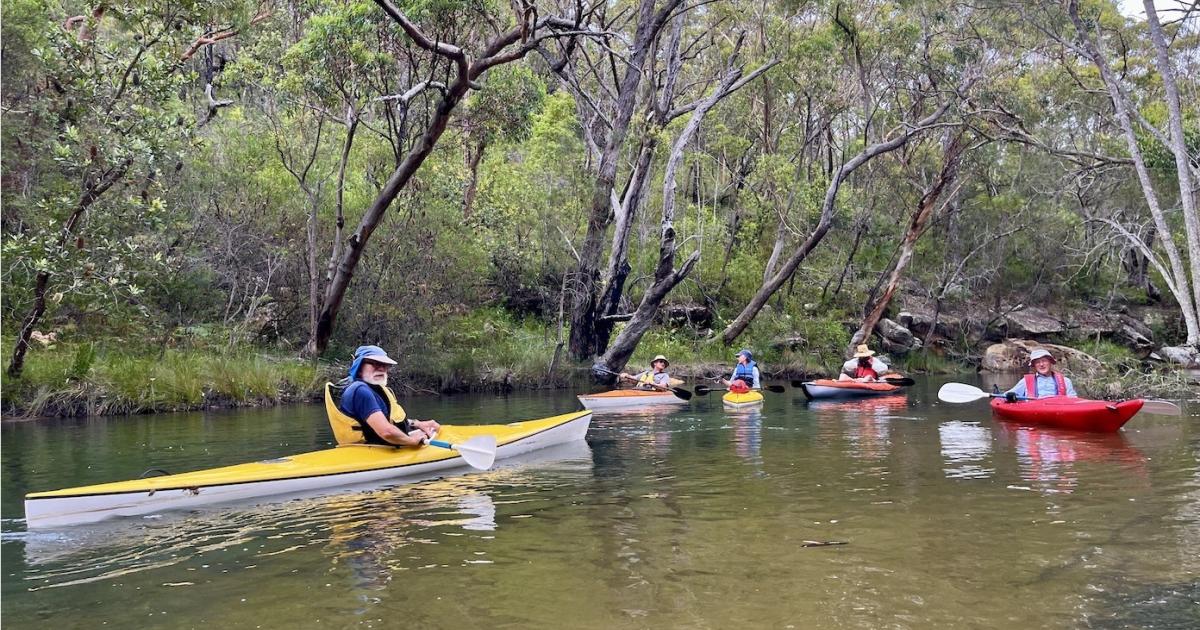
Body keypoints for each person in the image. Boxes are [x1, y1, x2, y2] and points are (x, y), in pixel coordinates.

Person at [337, 345, 440, 447]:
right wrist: (411, 441)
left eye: (385, 364)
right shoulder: (360, 391)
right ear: (359, 367)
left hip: (381, 445)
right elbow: (387, 432)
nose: (381, 368)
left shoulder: (373, 389)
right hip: (370, 452)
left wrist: (418, 424)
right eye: (375, 364)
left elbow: (389, 421)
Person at [1004, 348, 1077, 400]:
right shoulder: (1025, 382)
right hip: (1034, 413)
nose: (1041, 364)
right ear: (1034, 366)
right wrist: (1010, 397)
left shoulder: (1066, 381)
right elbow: (1004, 396)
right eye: (1037, 362)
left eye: (1044, 361)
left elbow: (1074, 401)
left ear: (1050, 362)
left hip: (1059, 412)